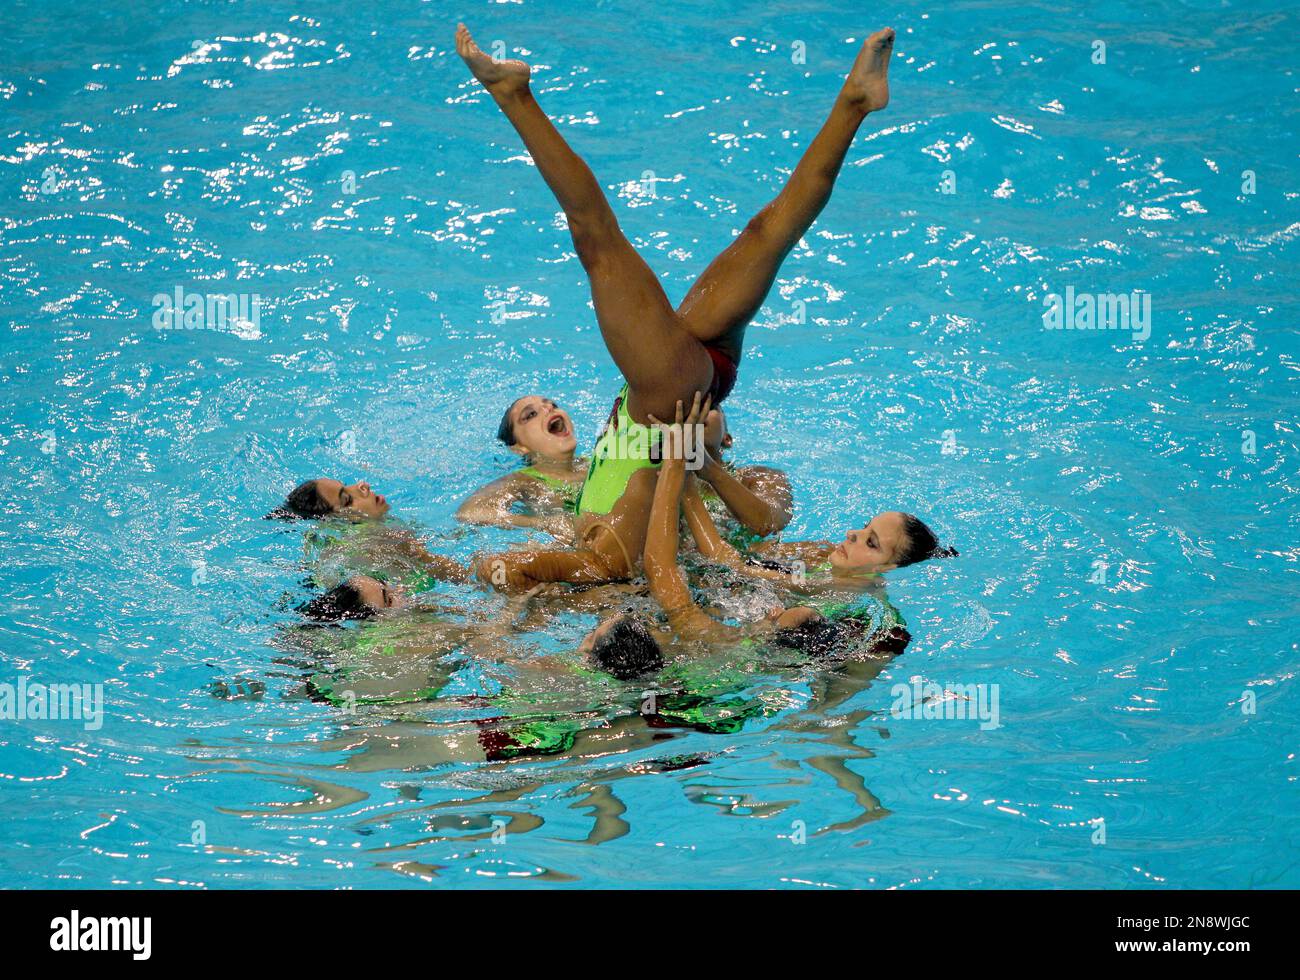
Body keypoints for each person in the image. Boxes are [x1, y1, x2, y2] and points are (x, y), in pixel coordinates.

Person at [455, 21, 896, 586]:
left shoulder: (593, 485)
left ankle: (853, 105)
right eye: (529, 415)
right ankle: (514, 97)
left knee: (762, 234)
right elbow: (482, 520)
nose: (546, 411)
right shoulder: (598, 511)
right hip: (670, 397)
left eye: (542, 405)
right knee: (599, 241)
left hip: (672, 390)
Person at [455, 395, 586, 539]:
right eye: (531, 414)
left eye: (553, 405)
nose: (548, 408)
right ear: (519, 447)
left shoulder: (592, 463)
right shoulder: (525, 480)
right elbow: (469, 512)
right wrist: (545, 523)